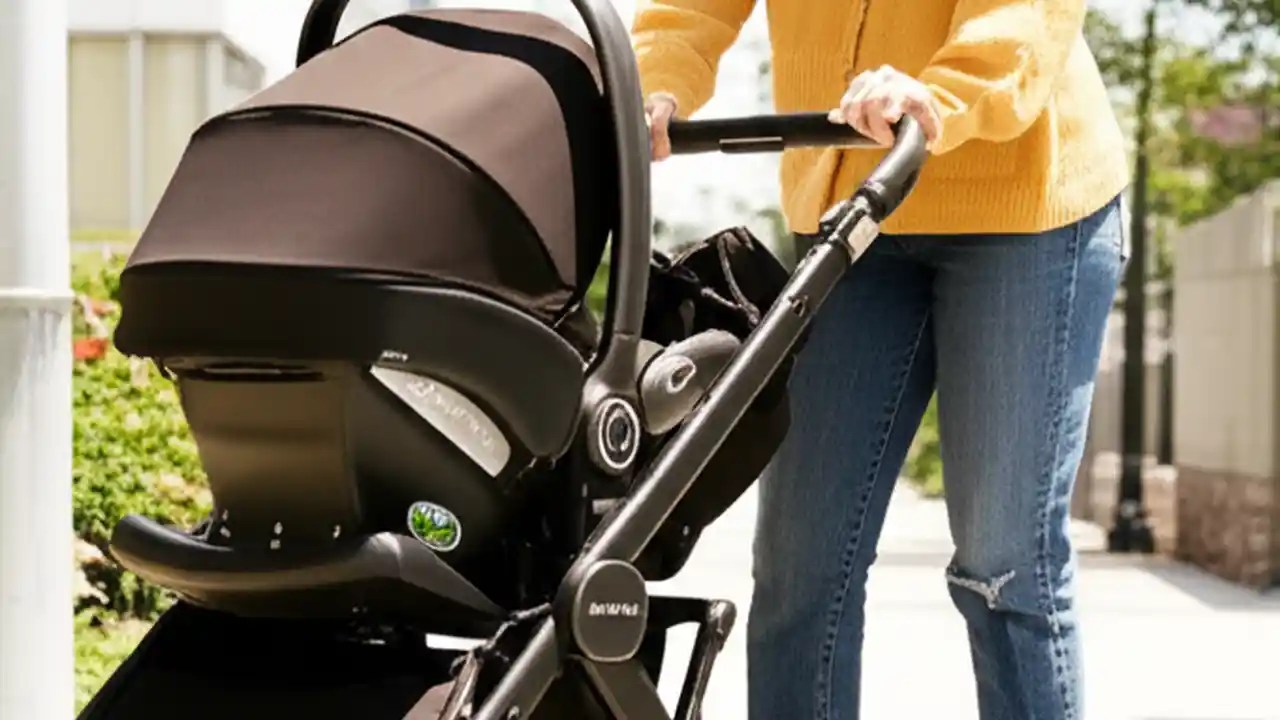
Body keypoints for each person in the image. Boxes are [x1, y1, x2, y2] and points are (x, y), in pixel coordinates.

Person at [632, 1, 1130, 718]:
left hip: (1023, 207)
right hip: (858, 207)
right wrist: (654, 78)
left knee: (1004, 562)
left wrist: (941, 91)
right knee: (798, 567)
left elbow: (1022, 17)